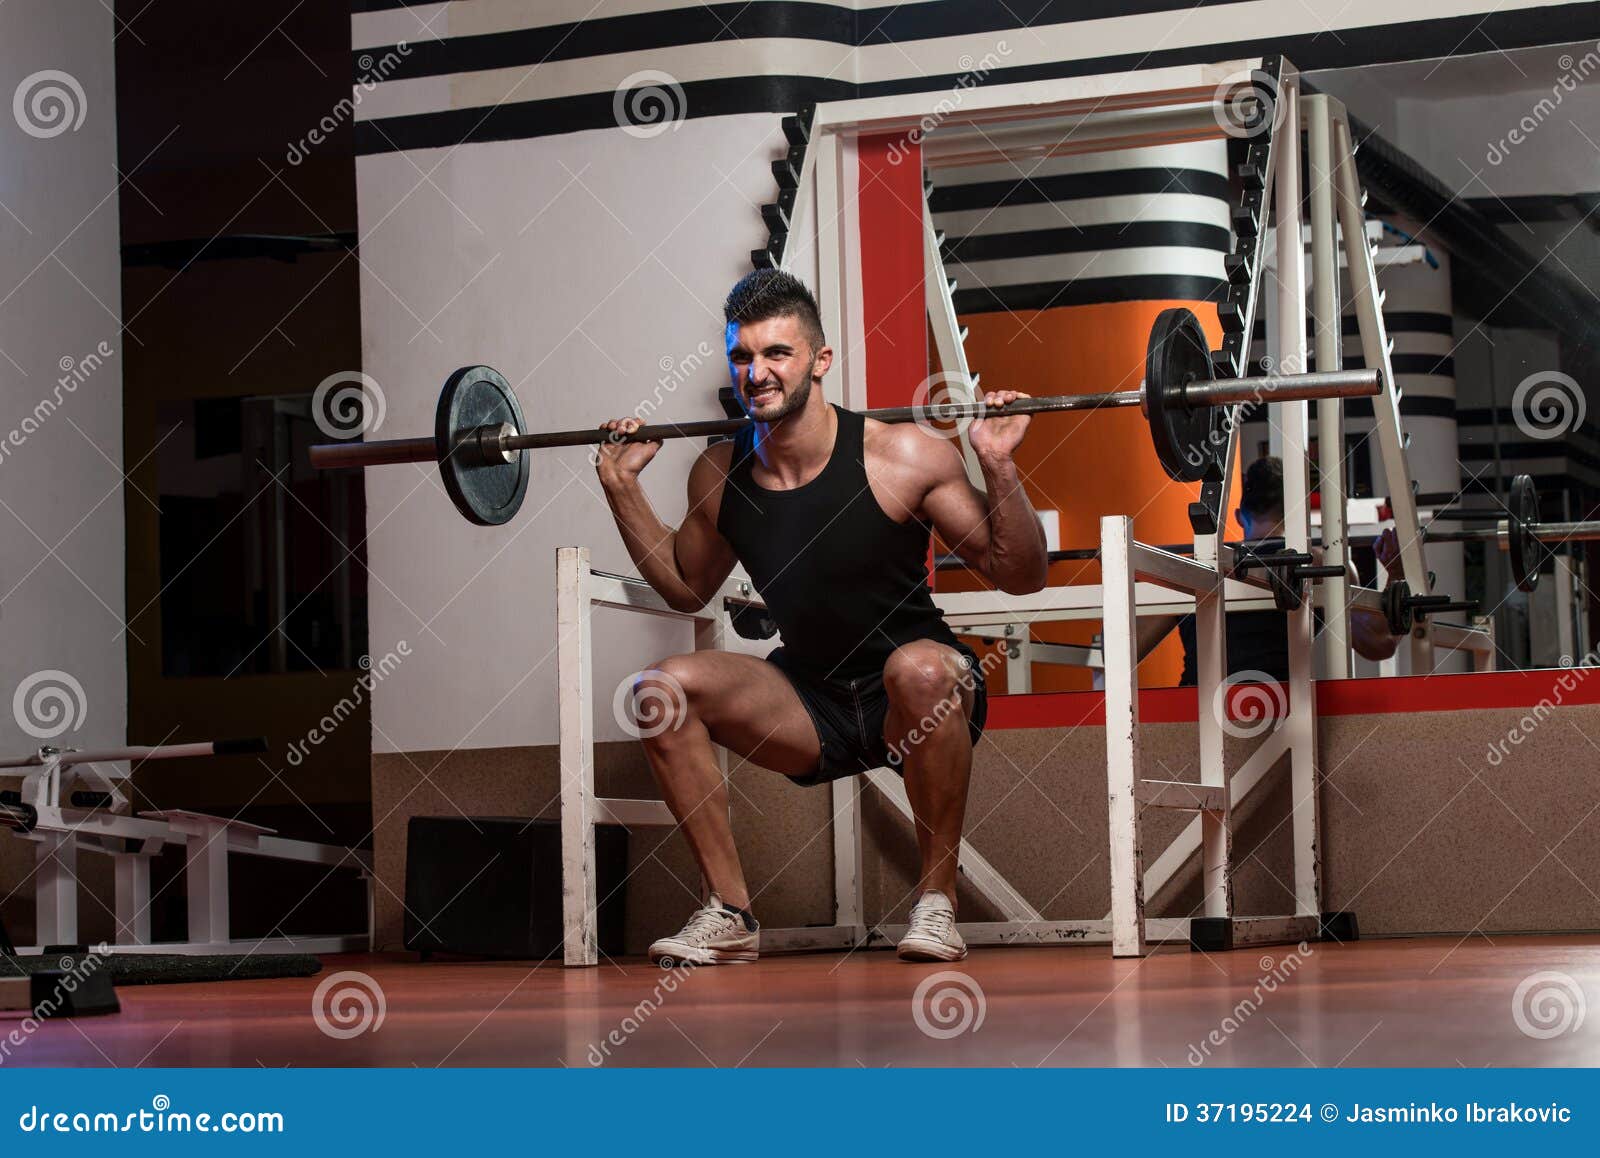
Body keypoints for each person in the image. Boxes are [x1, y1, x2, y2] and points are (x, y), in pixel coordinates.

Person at [594, 269, 1048, 964]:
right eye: (743, 357)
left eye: (778, 353)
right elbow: (686, 588)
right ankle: (729, 912)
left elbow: (1020, 576)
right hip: (811, 699)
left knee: (918, 666)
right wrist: (622, 489)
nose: (758, 373)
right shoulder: (719, 474)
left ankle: (935, 905)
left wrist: (998, 465)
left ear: (820, 360)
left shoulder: (904, 455)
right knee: (659, 691)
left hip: (921, 692)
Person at [1139, 456, 1401, 683]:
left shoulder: (1193, 565)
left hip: (1190, 715)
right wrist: (1397, 573)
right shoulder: (1319, 564)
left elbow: (1128, 648)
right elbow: (1379, 643)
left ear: (1240, 516)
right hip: (1278, 712)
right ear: (1299, 513)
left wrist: (1126, 580)